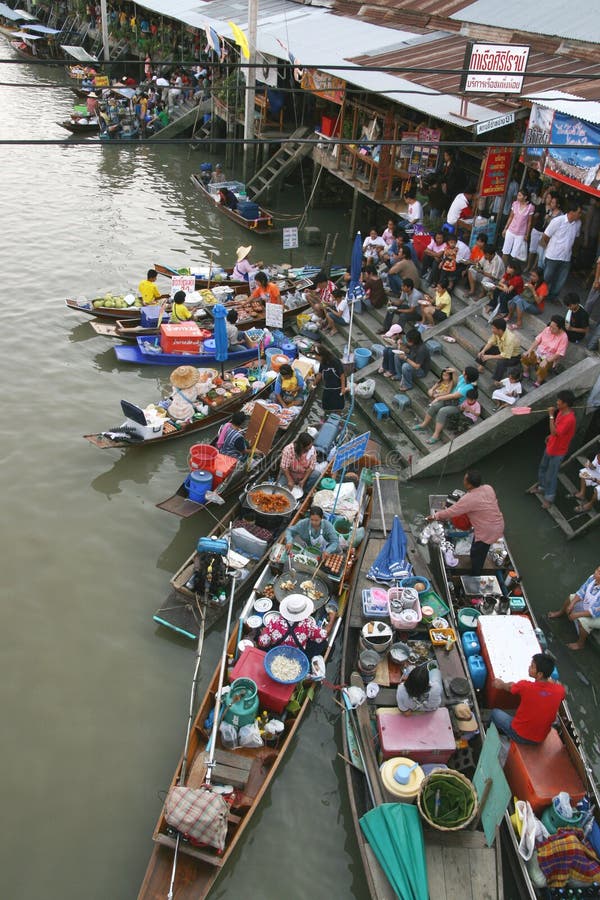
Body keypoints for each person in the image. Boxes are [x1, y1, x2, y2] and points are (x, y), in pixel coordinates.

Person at [429, 470, 504, 575]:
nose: (463, 481)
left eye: (464, 479)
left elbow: (451, 511)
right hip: (498, 524)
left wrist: (435, 516)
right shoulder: (488, 488)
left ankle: (475, 573)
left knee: (479, 555)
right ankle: (474, 559)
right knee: (477, 548)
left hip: (487, 531)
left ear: (468, 484)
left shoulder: (469, 499)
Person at [490, 653, 565, 744]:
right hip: (540, 738)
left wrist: (501, 684)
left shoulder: (525, 686)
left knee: (495, 713)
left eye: (532, 666)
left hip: (520, 735)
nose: (529, 667)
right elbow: (554, 691)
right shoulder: (560, 690)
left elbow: (510, 687)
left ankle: (494, 731)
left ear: (540, 674)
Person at [529, 389, 576, 508]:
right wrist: (550, 436)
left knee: (551, 475)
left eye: (559, 401)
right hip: (550, 446)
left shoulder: (570, 419)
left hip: (558, 451)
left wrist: (550, 415)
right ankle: (542, 487)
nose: (557, 402)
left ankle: (549, 498)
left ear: (565, 403)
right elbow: (555, 429)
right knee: (542, 467)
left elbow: (555, 431)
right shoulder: (561, 412)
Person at [414, 366, 479, 444]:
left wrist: (438, 398)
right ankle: (423, 424)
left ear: (466, 376)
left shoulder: (469, 388)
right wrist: (454, 372)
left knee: (442, 411)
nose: (463, 371)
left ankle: (436, 435)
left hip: (458, 405)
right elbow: (456, 382)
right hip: (450, 400)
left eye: (464, 371)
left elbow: (454, 396)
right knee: (434, 406)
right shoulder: (463, 377)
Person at [257, 593, 336, 655]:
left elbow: (263, 643)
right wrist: (332, 619)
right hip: (296, 655)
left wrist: (264, 631)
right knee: (323, 643)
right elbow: (324, 635)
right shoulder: (307, 624)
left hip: (277, 653)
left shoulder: (274, 621)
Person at [549, 568, 600, 650]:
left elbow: (594, 612)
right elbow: (581, 592)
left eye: (599, 573)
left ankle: (580, 644)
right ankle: (560, 612)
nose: (595, 572)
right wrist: (572, 604)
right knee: (571, 597)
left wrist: (576, 615)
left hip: (598, 616)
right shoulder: (592, 578)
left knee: (583, 621)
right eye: (597, 570)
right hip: (590, 604)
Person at [541, 203, 582, 301]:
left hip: (566, 257)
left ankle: (552, 297)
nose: (580, 215)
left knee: (560, 280)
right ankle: (539, 294)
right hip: (553, 255)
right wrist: (550, 248)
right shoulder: (557, 221)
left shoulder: (578, 224)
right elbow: (545, 236)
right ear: (572, 212)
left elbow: (576, 238)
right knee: (547, 277)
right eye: (579, 212)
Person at [521, 315, 568, 386]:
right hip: (539, 353)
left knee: (543, 367)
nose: (550, 329)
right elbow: (538, 340)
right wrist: (529, 350)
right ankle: (526, 373)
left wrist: (546, 360)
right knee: (525, 356)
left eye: (553, 328)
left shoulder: (564, 337)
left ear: (560, 328)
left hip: (549, 358)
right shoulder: (547, 329)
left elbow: (559, 353)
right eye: (550, 326)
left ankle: (538, 382)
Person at [502, 189, 534, 265]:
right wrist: (505, 228)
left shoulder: (530, 207)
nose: (518, 197)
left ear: (525, 197)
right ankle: (502, 267)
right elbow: (511, 217)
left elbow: (529, 222)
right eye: (518, 195)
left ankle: (510, 268)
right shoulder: (515, 204)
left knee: (514, 254)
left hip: (520, 234)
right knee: (505, 251)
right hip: (511, 230)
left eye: (520, 195)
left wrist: (527, 234)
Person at [314, 344, 346, 412]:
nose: (316, 357)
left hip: (337, 388)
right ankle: (326, 415)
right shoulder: (322, 362)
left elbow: (342, 375)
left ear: (321, 355)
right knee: (326, 406)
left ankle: (338, 415)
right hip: (327, 387)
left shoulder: (335, 361)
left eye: (316, 356)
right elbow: (319, 375)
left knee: (338, 407)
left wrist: (343, 388)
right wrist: (313, 384)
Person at [585, 253, 600, 351]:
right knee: (589, 304)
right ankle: (582, 322)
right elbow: (599, 264)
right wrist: (596, 280)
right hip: (599, 283)